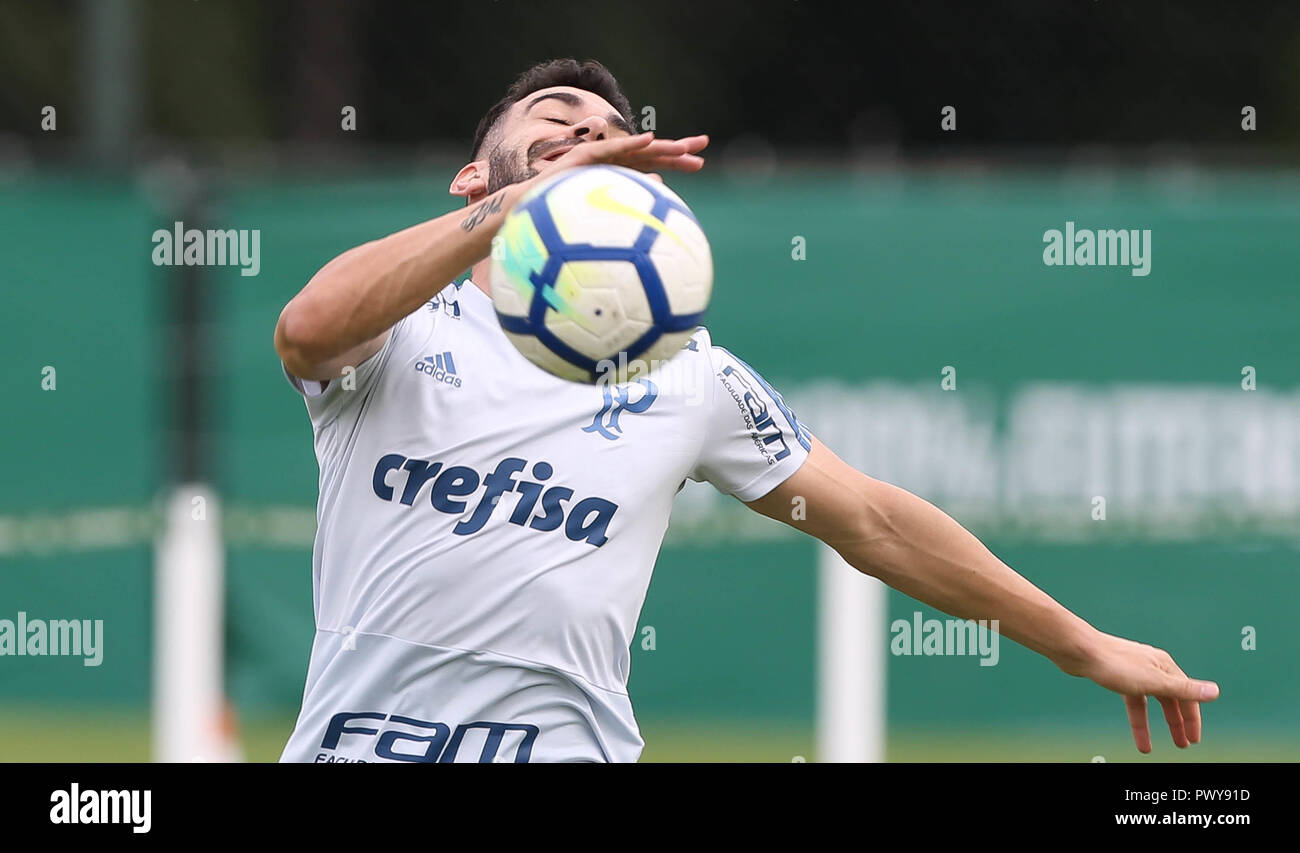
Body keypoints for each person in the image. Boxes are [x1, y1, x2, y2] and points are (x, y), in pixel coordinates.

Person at [273, 58, 1217, 762]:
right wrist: (525, 201)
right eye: (556, 122)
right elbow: (306, 330)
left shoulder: (687, 373)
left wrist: (1082, 644)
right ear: (472, 179)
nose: (588, 132)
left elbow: (879, 523)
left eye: (608, 130)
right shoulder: (404, 326)